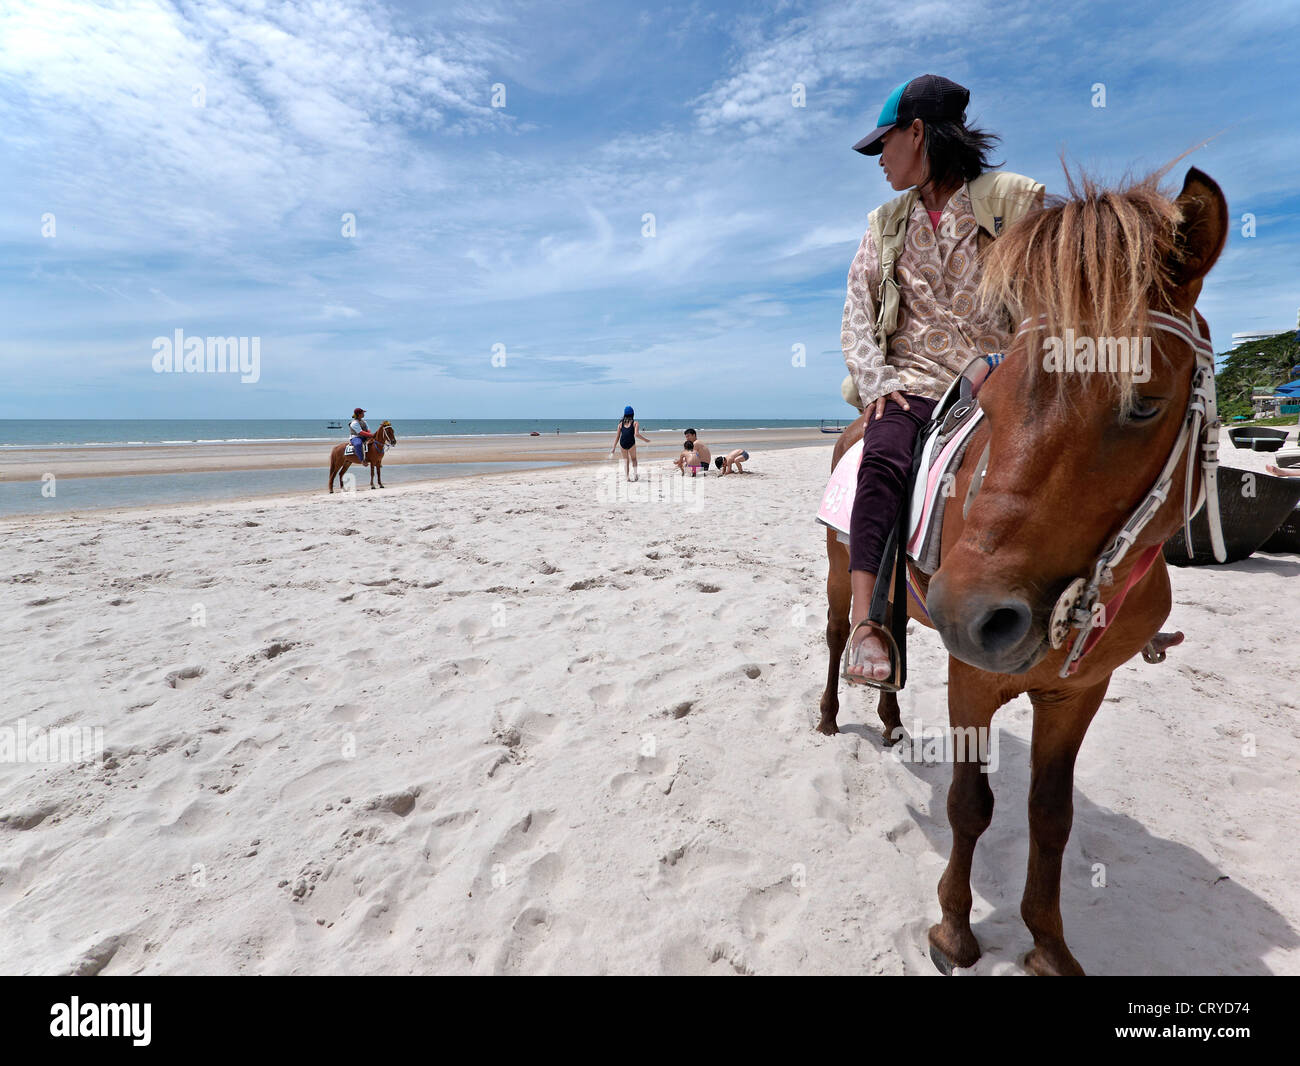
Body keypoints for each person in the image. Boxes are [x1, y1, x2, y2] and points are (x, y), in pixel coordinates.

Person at [839, 74, 1044, 686]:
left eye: (885, 144)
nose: (879, 159)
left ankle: (1118, 598)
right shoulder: (885, 224)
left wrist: (1003, 360)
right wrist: (877, 382)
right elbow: (856, 311)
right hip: (912, 380)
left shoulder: (1012, 201)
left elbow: (1050, 296)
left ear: (918, 132)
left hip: (998, 376)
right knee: (882, 459)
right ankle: (866, 623)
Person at [609, 406, 650, 481]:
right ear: (633, 414)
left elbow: (617, 437)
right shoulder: (635, 423)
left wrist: (613, 447)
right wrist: (645, 440)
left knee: (626, 460)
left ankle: (627, 477)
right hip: (631, 443)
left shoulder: (620, 424)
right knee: (634, 459)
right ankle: (635, 475)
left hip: (623, 443)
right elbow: (636, 434)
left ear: (624, 414)